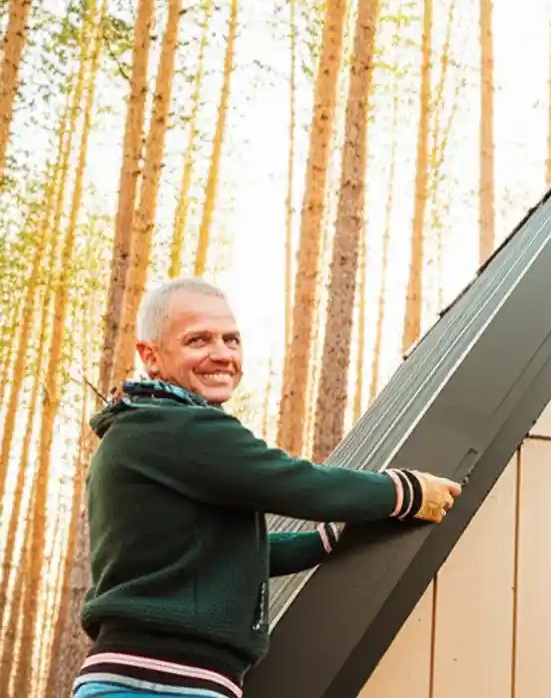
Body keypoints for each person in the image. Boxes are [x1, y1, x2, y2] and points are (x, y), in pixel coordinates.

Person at [71, 277, 462, 698]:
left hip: (148, 679)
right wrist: (403, 491)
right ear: (150, 355)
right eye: (198, 340)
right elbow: (295, 482)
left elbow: (228, 553)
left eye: (231, 340)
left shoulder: (142, 432)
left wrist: (324, 542)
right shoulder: (175, 426)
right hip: (159, 684)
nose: (222, 354)